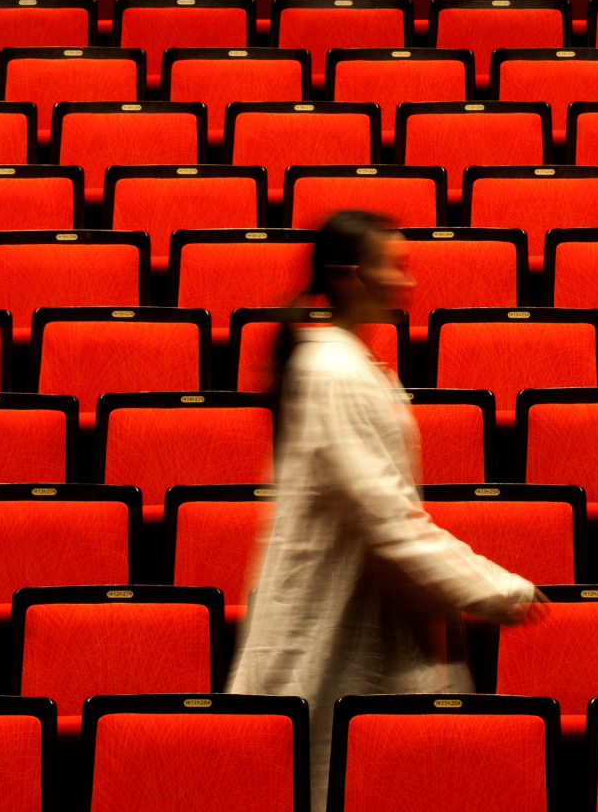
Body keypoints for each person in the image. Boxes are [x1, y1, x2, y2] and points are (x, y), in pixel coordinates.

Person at [228, 210, 547, 810]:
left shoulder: (345, 364)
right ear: (353, 276)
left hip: (362, 608)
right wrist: (495, 589)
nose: (408, 281)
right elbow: (389, 519)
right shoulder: (335, 372)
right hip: (334, 620)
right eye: (395, 266)